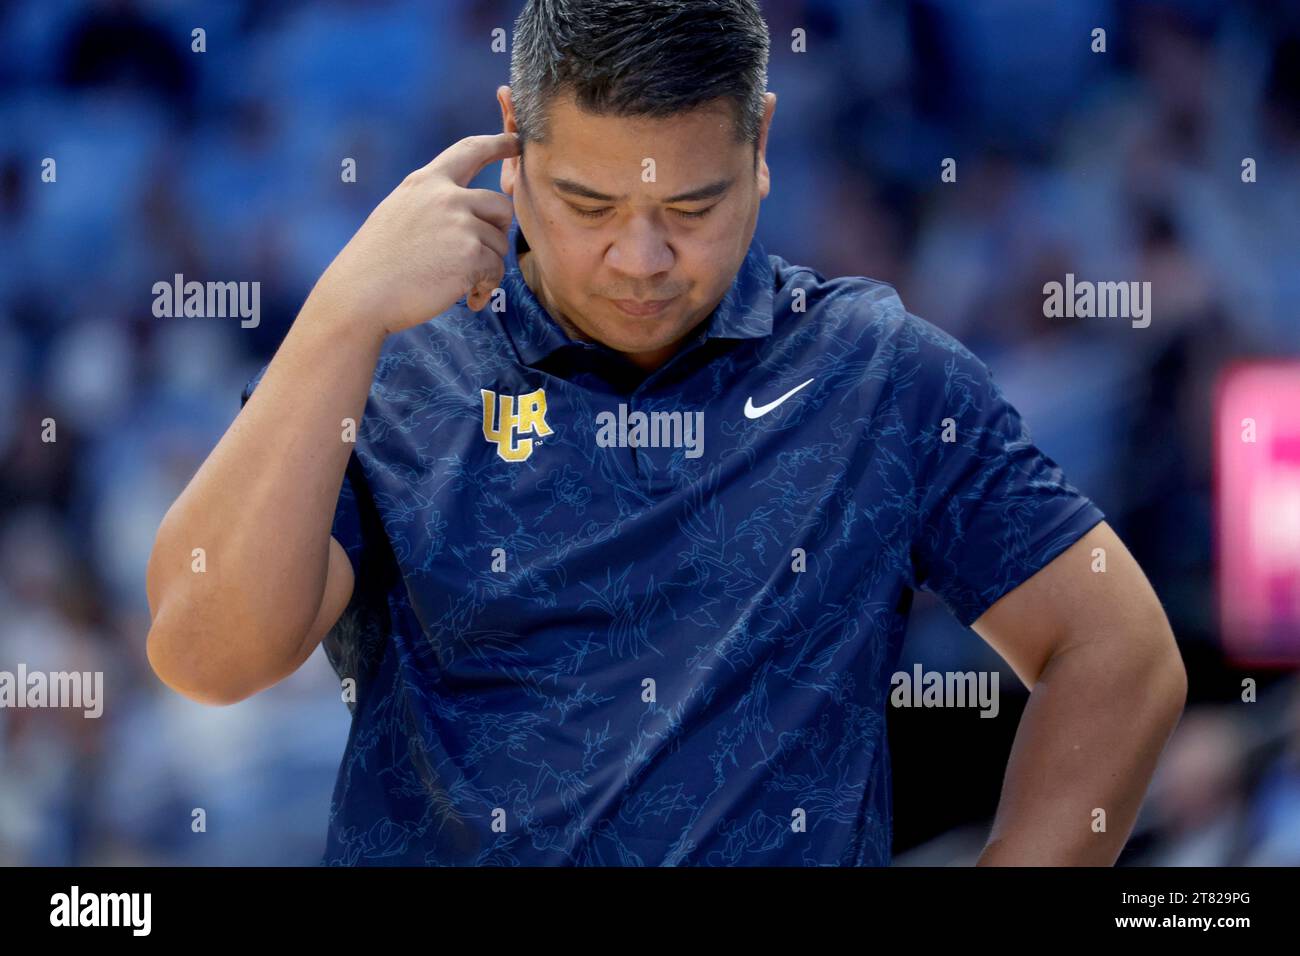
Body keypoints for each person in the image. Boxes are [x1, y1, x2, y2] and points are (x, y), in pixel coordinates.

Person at [144, 0, 1186, 866]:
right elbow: (207, 653)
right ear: (511, 138)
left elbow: (1119, 650)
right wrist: (338, 312)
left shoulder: (876, 370)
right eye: (588, 204)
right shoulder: (393, 368)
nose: (641, 259)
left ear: (762, 145)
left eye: (691, 206)